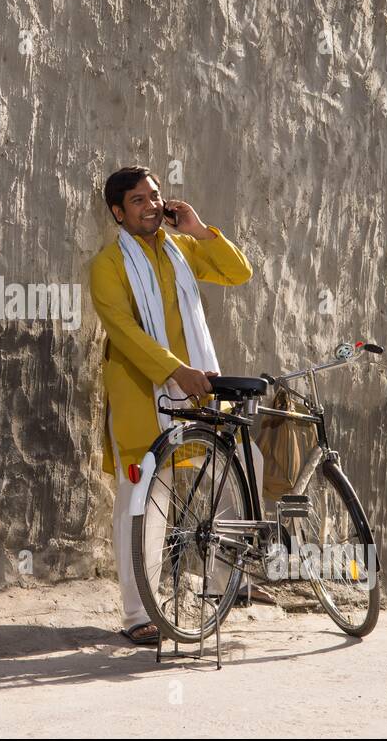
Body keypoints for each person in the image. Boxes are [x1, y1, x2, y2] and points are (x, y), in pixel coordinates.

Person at [89, 166, 270, 645]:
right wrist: (174, 370)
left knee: (242, 462)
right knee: (147, 494)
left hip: (197, 386)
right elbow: (124, 333)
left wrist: (199, 229)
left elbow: (238, 272)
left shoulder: (183, 249)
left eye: (155, 195)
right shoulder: (107, 265)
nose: (151, 205)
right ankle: (137, 614)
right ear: (117, 212)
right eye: (138, 200)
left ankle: (223, 585)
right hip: (140, 392)